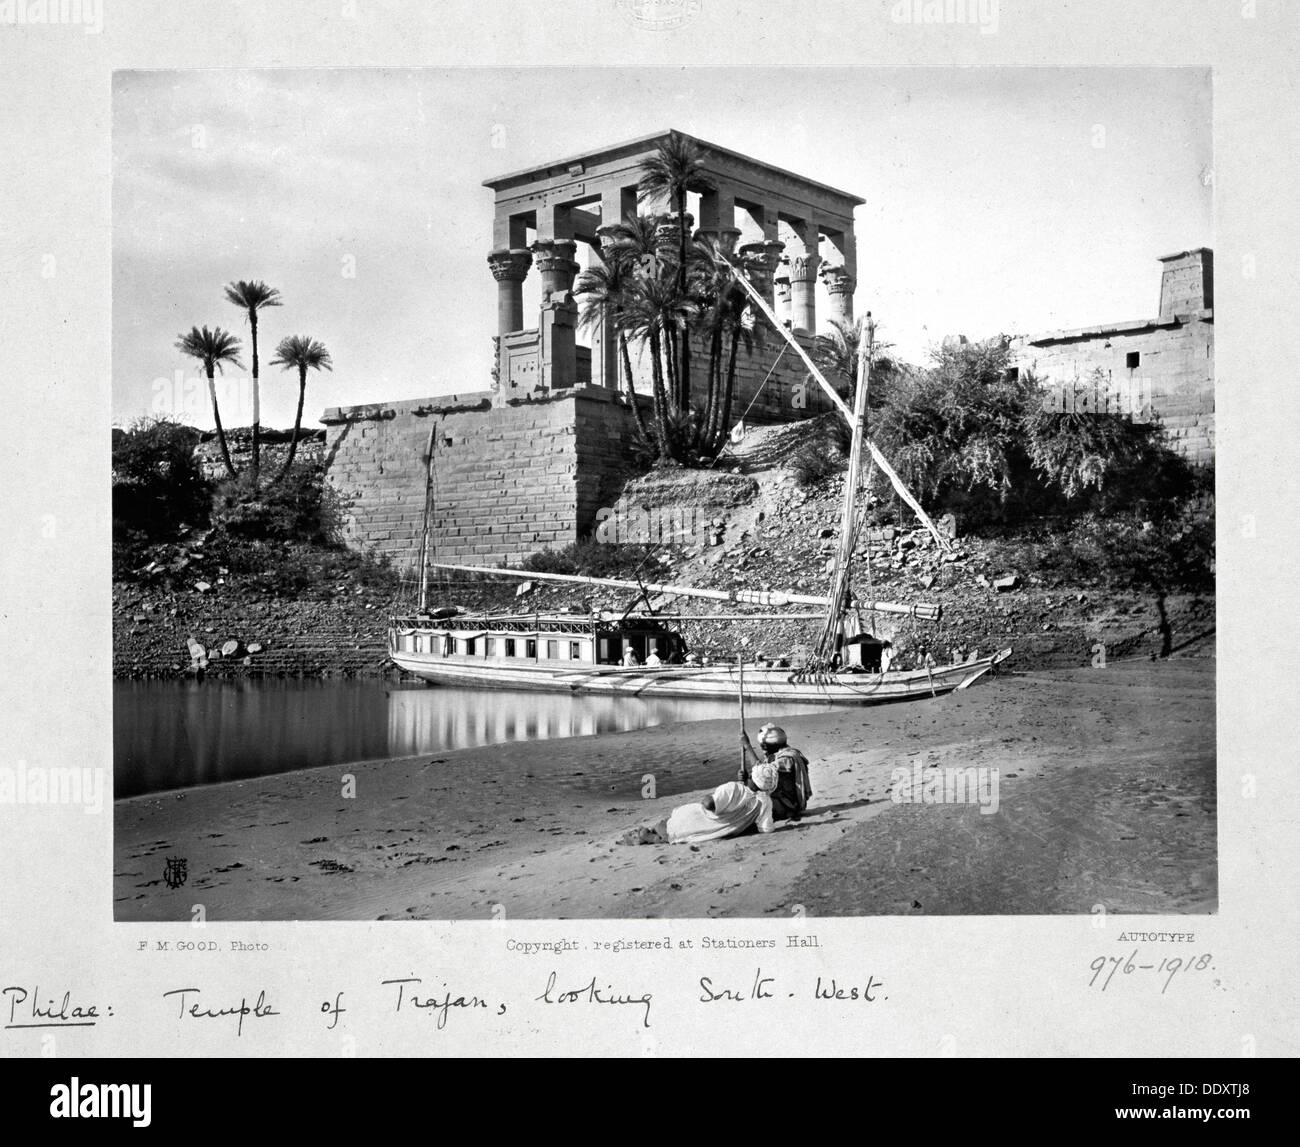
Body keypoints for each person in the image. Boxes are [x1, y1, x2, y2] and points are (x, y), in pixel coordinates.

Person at [620, 781, 773, 845]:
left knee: (663, 829)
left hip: (690, 821)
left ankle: (647, 837)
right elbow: (765, 829)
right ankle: (649, 836)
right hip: (709, 827)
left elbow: (708, 804)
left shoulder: (735, 788)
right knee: (665, 831)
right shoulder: (764, 802)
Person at [739, 724, 812, 821]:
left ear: (765, 746)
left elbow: (762, 775)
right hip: (782, 802)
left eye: (763, 747)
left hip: (786, 806)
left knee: (744, 809)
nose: (763, 750)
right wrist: (746, 778)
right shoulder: (781, 755)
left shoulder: (787, 759)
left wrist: (748, 746)